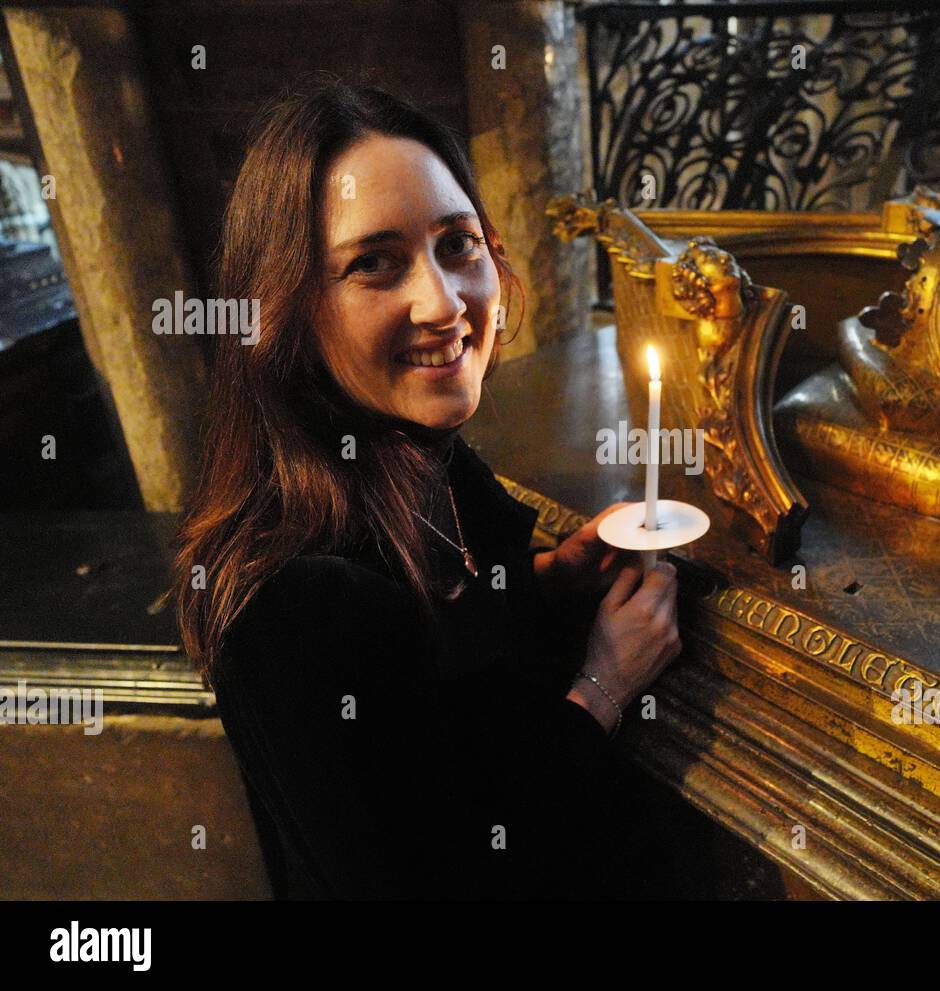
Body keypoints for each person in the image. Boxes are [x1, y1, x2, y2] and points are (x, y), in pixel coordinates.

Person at [173, 78, 683, 899]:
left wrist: (550, 581)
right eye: (374, 264)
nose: (443, 303)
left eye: (458, 243)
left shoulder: (412, 452)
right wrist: (603, 687)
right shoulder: (293, 601)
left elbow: (438, 651)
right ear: (288, 309)